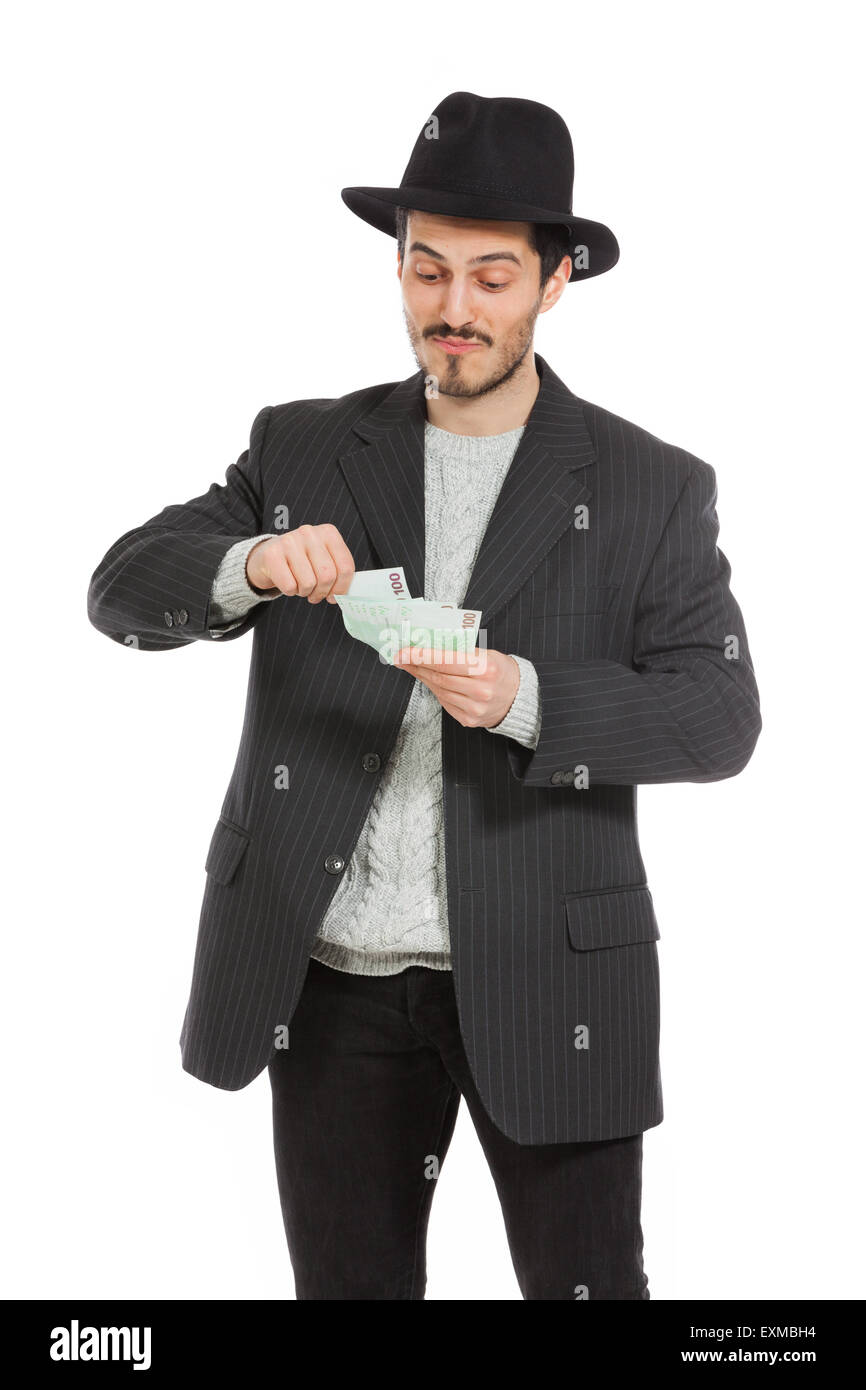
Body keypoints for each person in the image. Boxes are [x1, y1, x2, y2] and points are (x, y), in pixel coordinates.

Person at [87, 91, 762, 1300]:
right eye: (427, 269)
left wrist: (522, 697)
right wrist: (245, 566)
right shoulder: (298, 449)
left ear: (557, 282)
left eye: (492, 277)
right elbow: (120, 589)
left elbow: (717, 718)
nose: (452, 310)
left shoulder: (653, 484)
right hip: (329, 980)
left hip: (550, 978)